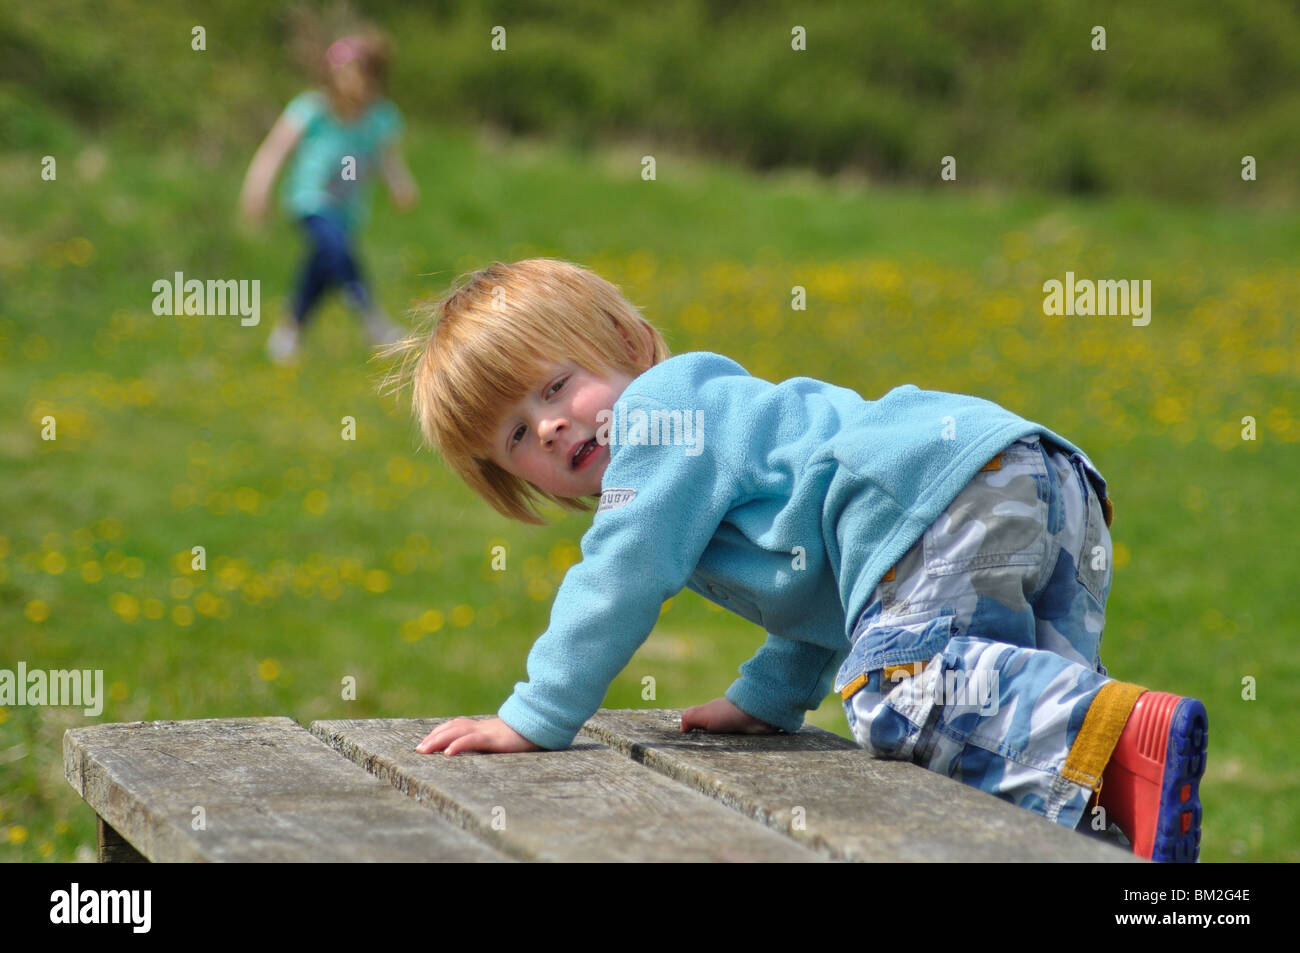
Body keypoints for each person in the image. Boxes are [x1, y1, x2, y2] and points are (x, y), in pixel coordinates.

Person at [382, 258, 1208, 862]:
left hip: (943, 490)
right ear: (507, 478)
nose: (553, 425)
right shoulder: (716, 443)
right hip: (1036, 479)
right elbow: (820, 587)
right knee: (1001, 740)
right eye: (518, 434)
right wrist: (770, 697)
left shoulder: (661, 414)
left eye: (557, 386)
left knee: (900, 693)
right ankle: (1133, 834)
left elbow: (617, 578)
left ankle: (1133, 735)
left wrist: (535, 715)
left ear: (631, 344)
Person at [239, 29, 417, 364]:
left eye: (367, 77)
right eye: (350, 76)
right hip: (310, 200)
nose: (358, 85)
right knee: (336, 249)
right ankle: (371, 318)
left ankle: (290, 331)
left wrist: (400, 186)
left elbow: (387, 159)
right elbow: (274, 153)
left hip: (349, 209)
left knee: (321, 266)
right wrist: (257, 192)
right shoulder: (311, 110)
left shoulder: (379, 118)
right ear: (332, 77)